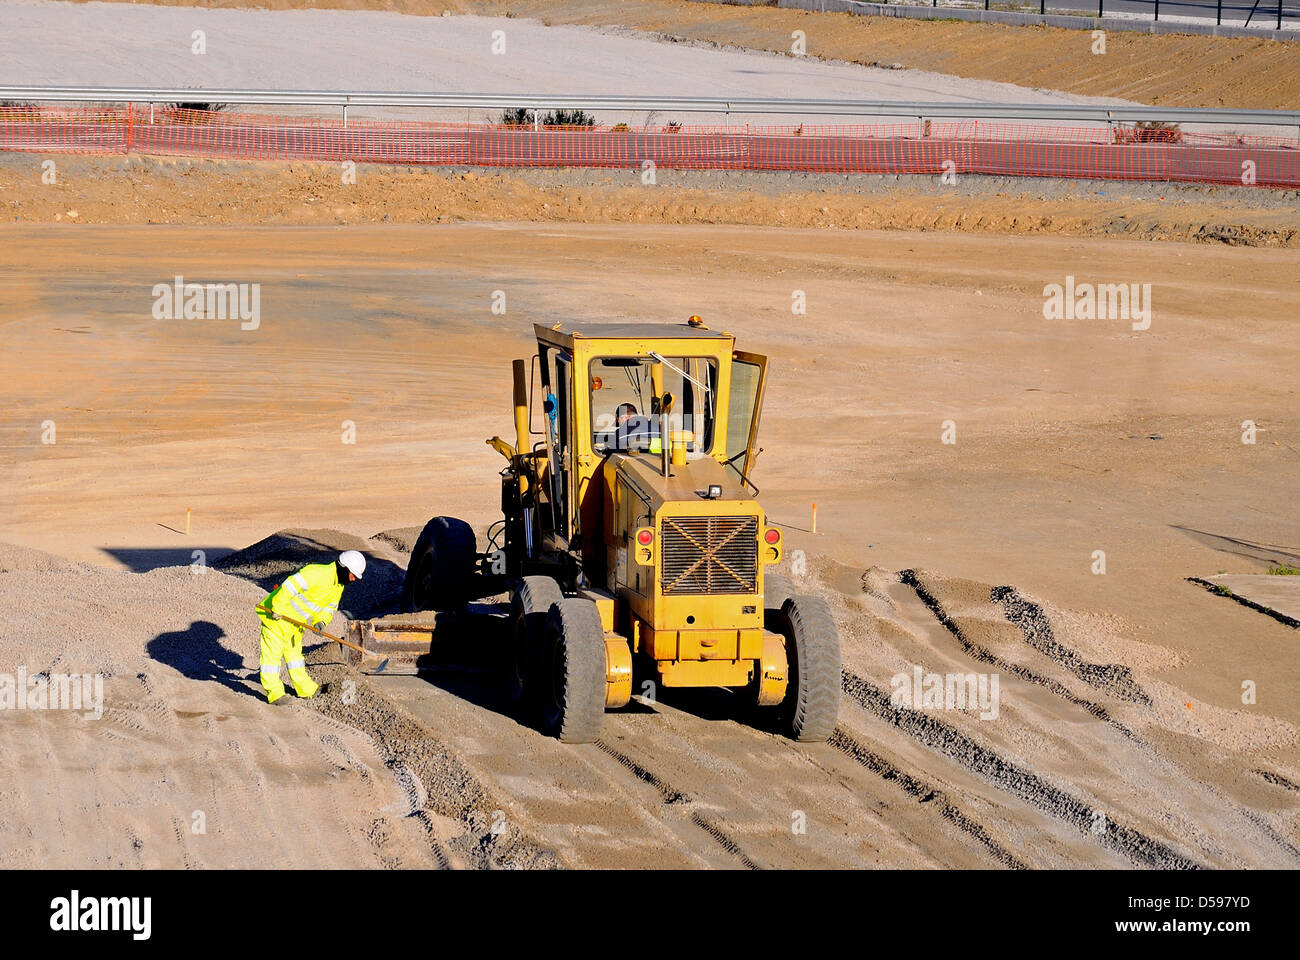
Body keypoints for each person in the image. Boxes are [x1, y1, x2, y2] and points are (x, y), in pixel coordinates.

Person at [256, 550, 365, 704]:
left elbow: (328, 608)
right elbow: (289, 587)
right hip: (276, 619)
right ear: (343, 567)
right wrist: (277, 608)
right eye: (353, 575)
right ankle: (275, 694)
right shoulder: (316, 573)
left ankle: (306, 690)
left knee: (295, 659)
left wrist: (321, 622)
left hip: (295, 623)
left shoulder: (337, 587)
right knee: (271, 660)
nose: (353, 579)